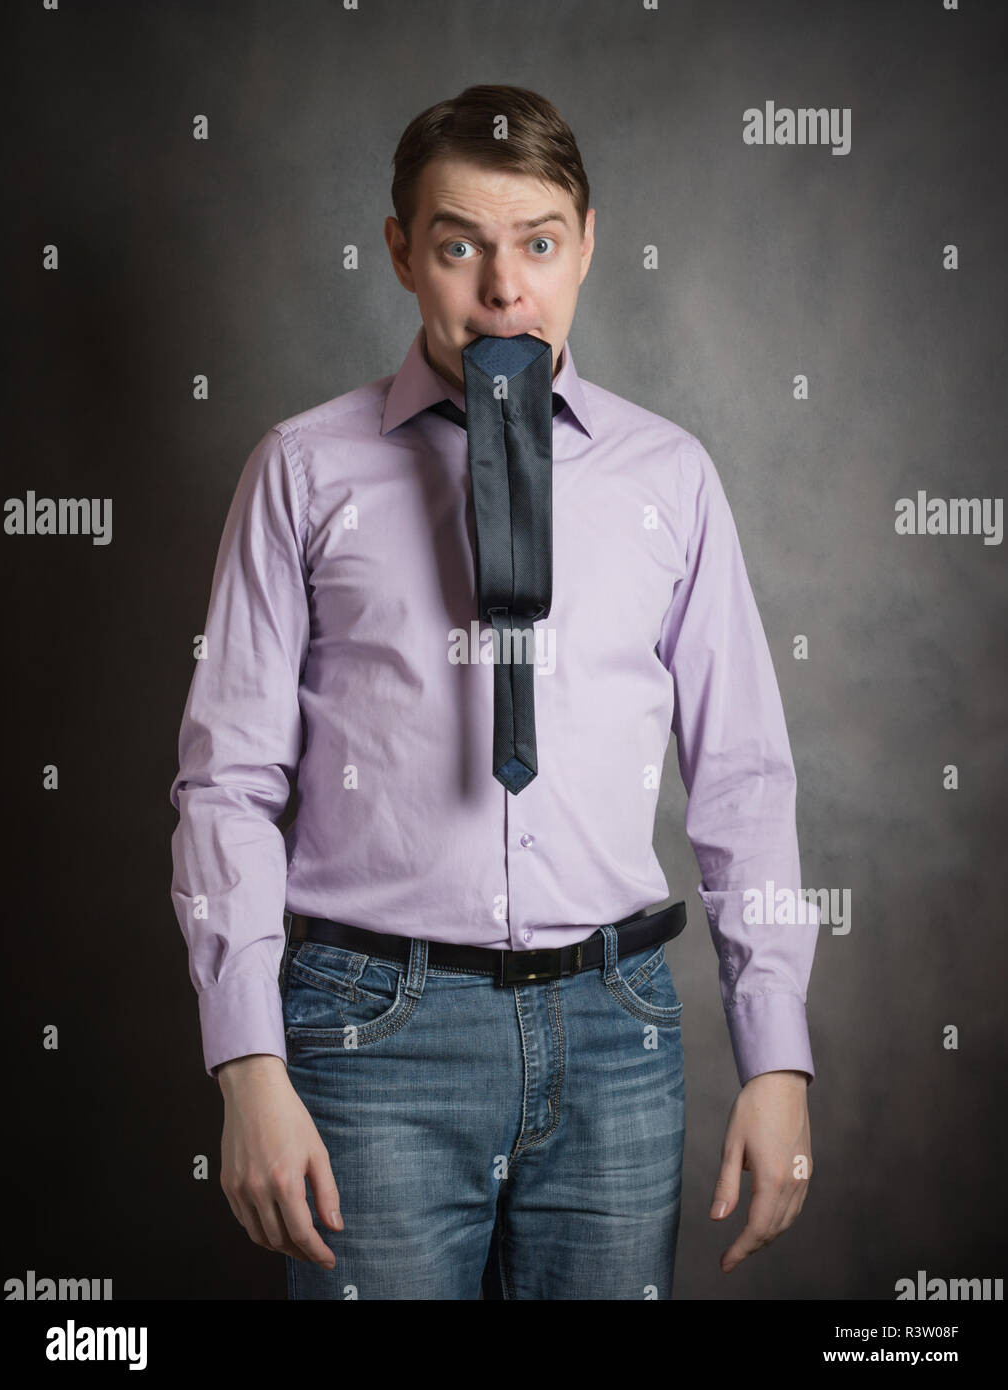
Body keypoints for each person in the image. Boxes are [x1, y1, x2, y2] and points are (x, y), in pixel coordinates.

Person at [168, 83, 819, 1301]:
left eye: (538, 243)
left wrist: (774, 1055)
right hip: (370, 1034)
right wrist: (248, 1057)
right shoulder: (302, 470)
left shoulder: (668, 478)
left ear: (585, 245)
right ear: (404, 252)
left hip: (614, 1027)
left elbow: (742, 773)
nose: (503, 289)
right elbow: (227, 780)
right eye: (461, 244)